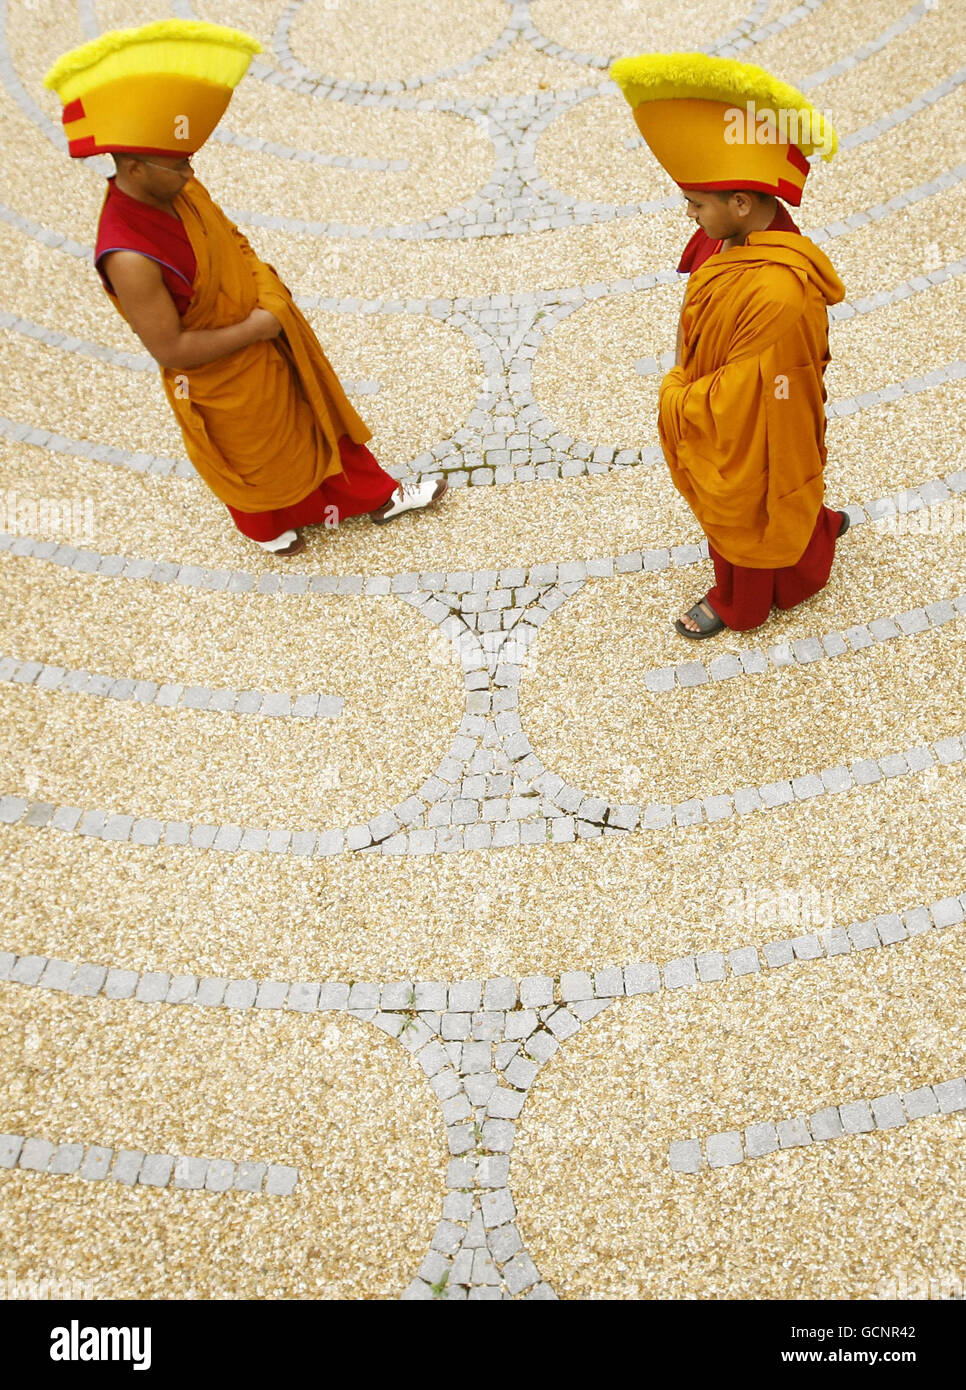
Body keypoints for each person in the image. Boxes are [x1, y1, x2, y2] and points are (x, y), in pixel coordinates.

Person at [44, 20, 446, 557]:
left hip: (264, 330)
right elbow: (171, 349)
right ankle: (264, 529)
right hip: (224, 375)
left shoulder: (178, 186)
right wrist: (259, 324)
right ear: (134, 166)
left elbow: (230, 239)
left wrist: (265, 293)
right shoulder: (130, 256)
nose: (190, 169)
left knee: (312, 416)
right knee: (252, 452)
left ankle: (378, 496)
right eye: (176, 161)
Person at [612, 53, 848, 637]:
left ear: (741, 203)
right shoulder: (735, 235)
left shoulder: (777, 290)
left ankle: (741, 599)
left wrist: (676, 396)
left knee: (747, 482)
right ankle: (811, 534)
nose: (690, 214)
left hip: (766, 403)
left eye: (697, 202)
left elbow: (743, 401)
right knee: (784, 473)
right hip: (760, 388)